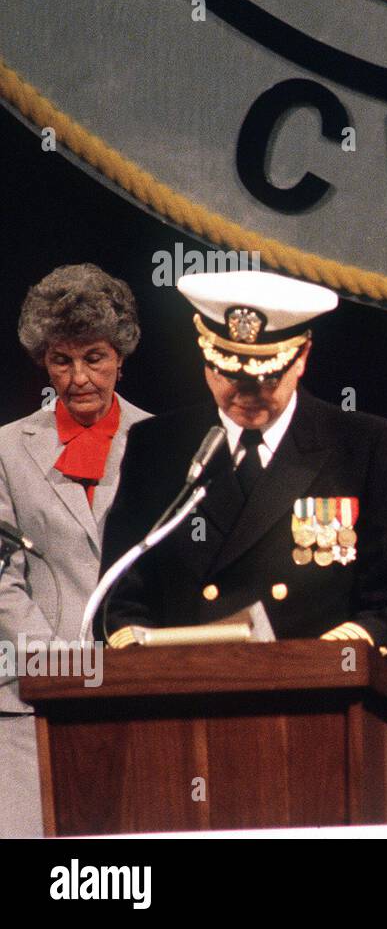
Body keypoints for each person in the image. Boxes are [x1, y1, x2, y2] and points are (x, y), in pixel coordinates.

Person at [95, 270, 387, 654]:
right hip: (186, 695)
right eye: (229, 374)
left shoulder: (363, 444)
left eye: (265, 377)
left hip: (316, 696)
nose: (246, 394)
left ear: (301, 356)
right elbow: (120, 597)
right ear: (205, 357)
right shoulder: (157, 446)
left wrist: (326, 660)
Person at [0, 263, 150, 837]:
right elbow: (3, 575)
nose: (79, 377)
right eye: (62, 360)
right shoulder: (9, 449)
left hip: (134, 685)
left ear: (120, 355)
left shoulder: (159, 439)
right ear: (45, 360)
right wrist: (55, 660)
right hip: (31, 697)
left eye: (94, 357)